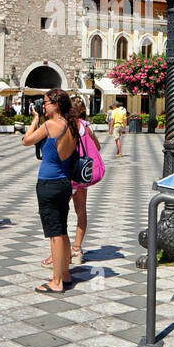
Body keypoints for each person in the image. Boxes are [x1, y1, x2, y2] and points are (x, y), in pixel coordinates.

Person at [22, 88, 79, 294]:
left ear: (56, 104)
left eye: (46, 102)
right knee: (62, 230)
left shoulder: (50, 125)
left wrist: (35, 120)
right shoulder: (71, 125)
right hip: (64, 183)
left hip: (49, 183)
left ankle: (56, 281)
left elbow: (26, 140)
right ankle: (65, 273)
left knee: (54, 234)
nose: (43, 105)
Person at [43, 97, 102, 268]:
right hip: (80, 175)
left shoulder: (62, 125)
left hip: (65, 176)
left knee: (58, 214)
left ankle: (56, 254)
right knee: (81, 211)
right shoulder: (86, 127)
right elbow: (96, 147)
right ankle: (77, 248)